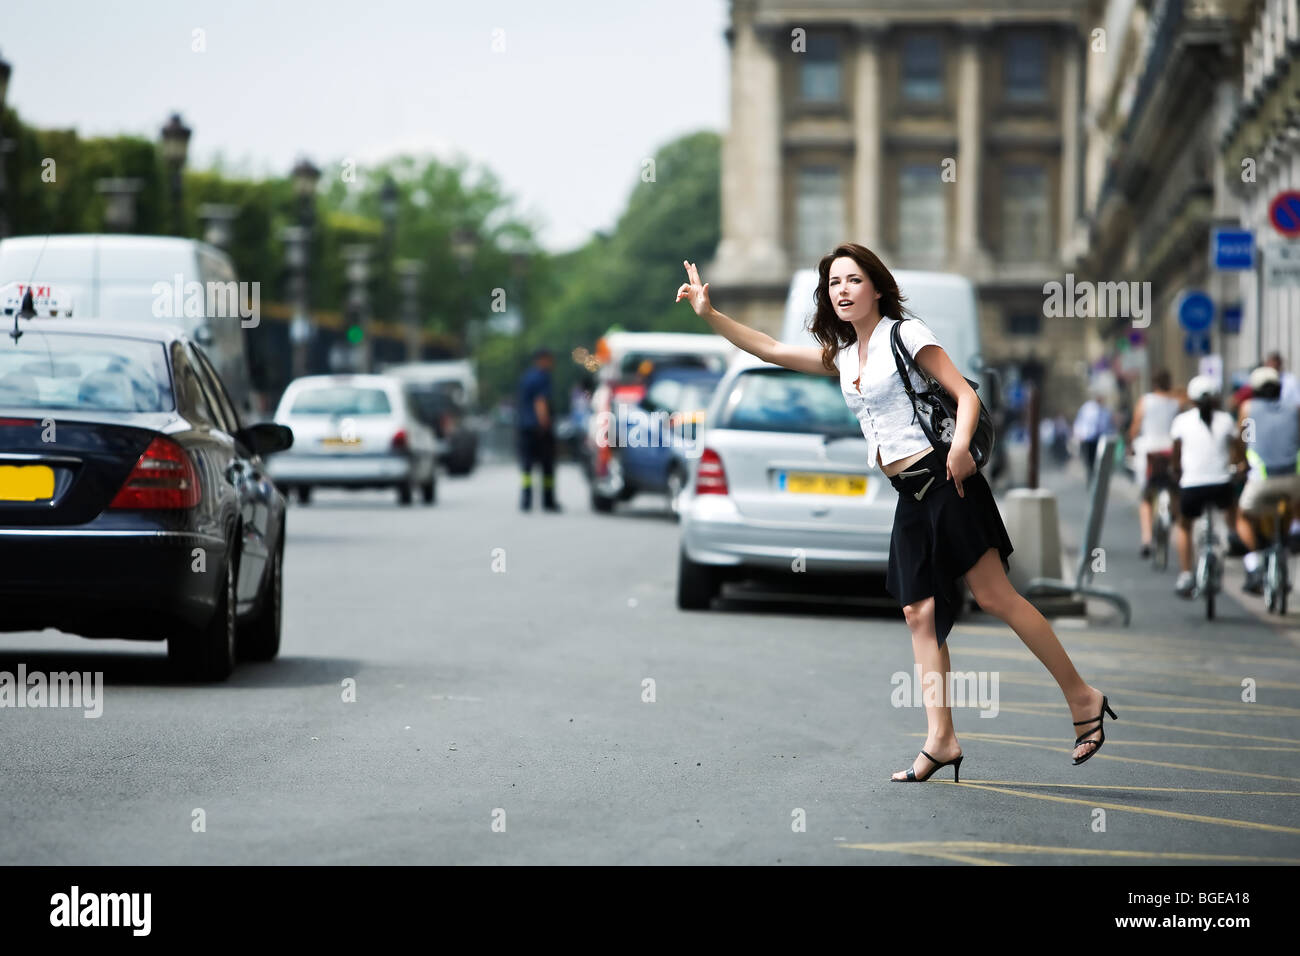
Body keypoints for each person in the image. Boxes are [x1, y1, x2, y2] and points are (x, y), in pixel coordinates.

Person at [675, 244, 1115, 780]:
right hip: (910, 493)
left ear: (876, 287)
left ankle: (1082, 697)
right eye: (834, 283)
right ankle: (942, 738)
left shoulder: (905, 336)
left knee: (996, 596)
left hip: (946, 479)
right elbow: (768, 348)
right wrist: (711, 314)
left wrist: (959, 448)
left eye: (853, 280)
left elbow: (965, 395)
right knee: (918, 614)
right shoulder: (842, 354)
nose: (842, 291)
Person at [1169, 376, 1242, 597]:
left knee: (1184, 525)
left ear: (1191, 399)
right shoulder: (1226, 420)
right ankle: (1233, 536)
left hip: (1192, 485)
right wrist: (1239, 465)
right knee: (1231, 510)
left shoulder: (1181, 421)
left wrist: (1177, 471)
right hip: (1221, 483)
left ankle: (1185, 574)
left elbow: (1176, 453)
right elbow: (1239, 447)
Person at [1233, 365, 1300, 593]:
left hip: (1261, 479)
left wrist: (1241, 462)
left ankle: (1254, 565)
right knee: (1293, 504)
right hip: (1293, 478)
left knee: (1243, 516)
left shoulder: (1248, 407)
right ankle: (1292, 534)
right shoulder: (1294, 408)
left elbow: (1243, 439)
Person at [1128, 369, 1182, 558]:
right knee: (1175, 487)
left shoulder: (1146, 401)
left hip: (1149, 450)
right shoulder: (1176, 402)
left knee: (1146, 496)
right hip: (1170, 449)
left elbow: (1135, 427)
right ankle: (1172, 515)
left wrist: (1130, 444)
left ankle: (1147, 537)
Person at [516, 347, 561, 513]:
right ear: (543, 360)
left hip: (525, 427)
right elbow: (540, 402)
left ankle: (526, 501)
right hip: (538, 428)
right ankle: (548, 501)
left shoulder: (526, 377)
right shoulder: (543, 377)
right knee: (547, 465)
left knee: (527, 465)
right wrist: (545, 424)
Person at [1073, 390, 1115, 484]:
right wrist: (1078, 435)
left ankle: (1096, 479)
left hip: (1099, 439)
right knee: (1089, 460)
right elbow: (1079, 422)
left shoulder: (1106, 410)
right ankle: (1090, 478)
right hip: (1087, 438)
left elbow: (1109, 426)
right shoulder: (1087, 408)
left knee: (1098, 460)